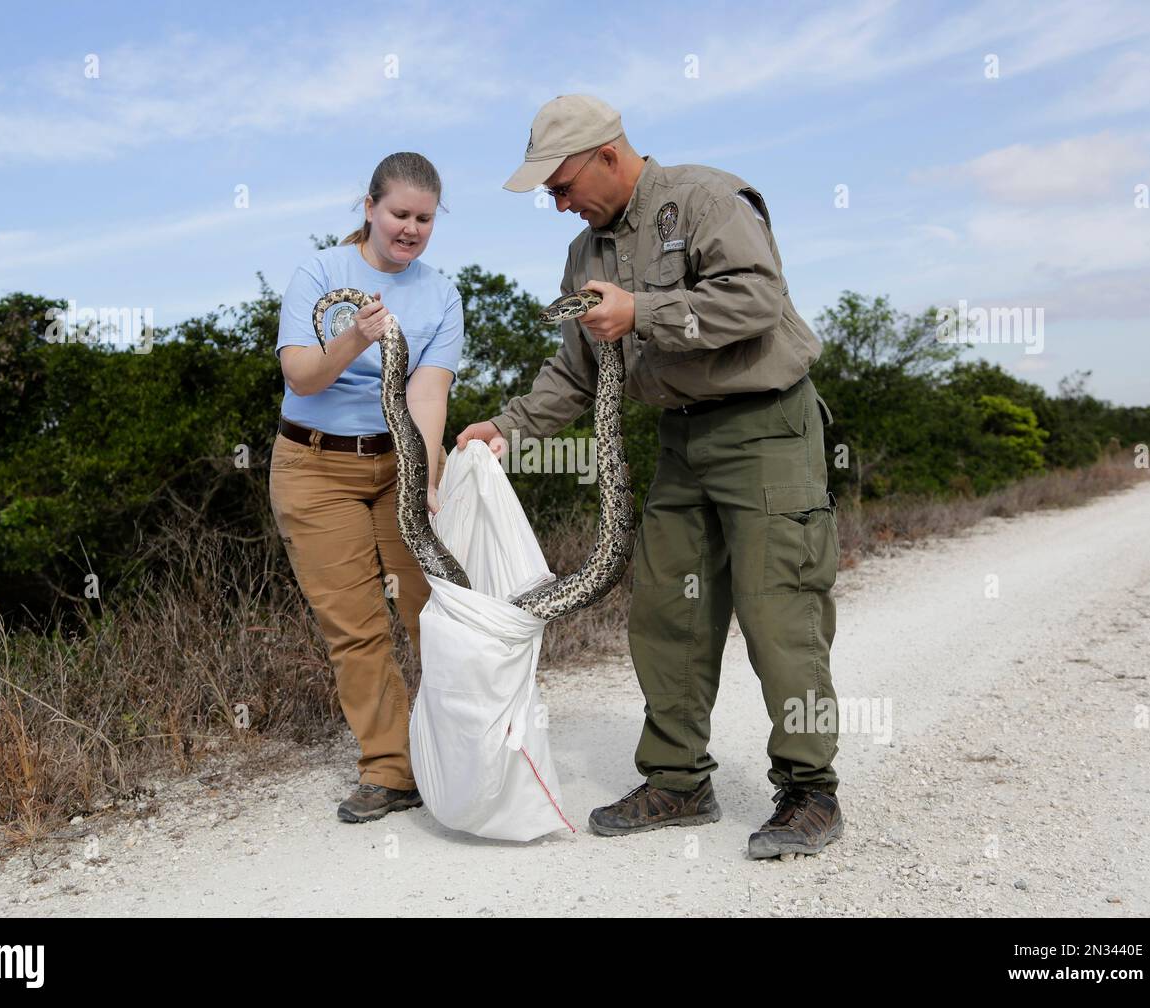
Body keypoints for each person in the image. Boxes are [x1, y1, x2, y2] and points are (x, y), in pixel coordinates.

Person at [457, 95, 844, 859]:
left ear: (607, 154)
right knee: (668, 611)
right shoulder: (584, 253)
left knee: (780, 615)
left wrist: (645, 313)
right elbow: (575, 369)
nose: (556, 201)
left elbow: (758, 298)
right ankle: (678, 779)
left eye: (561, 184)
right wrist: (504, 429)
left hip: (766, 427)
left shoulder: (704, 199)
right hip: (680, 441)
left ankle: (810, 792)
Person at [271, 152, 464, 824]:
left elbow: (428, 393)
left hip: (396, 464)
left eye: (424, 219)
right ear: (370, 209)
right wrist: (357, 335)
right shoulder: (320, 274)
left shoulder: (441, 293)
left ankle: (459, 753)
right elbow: (303, 377)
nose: (410, 229)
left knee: (431, 613)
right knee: (356, 629)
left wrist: (428, 472)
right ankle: (390, 771)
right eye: (399, 215)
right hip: (316, 468)